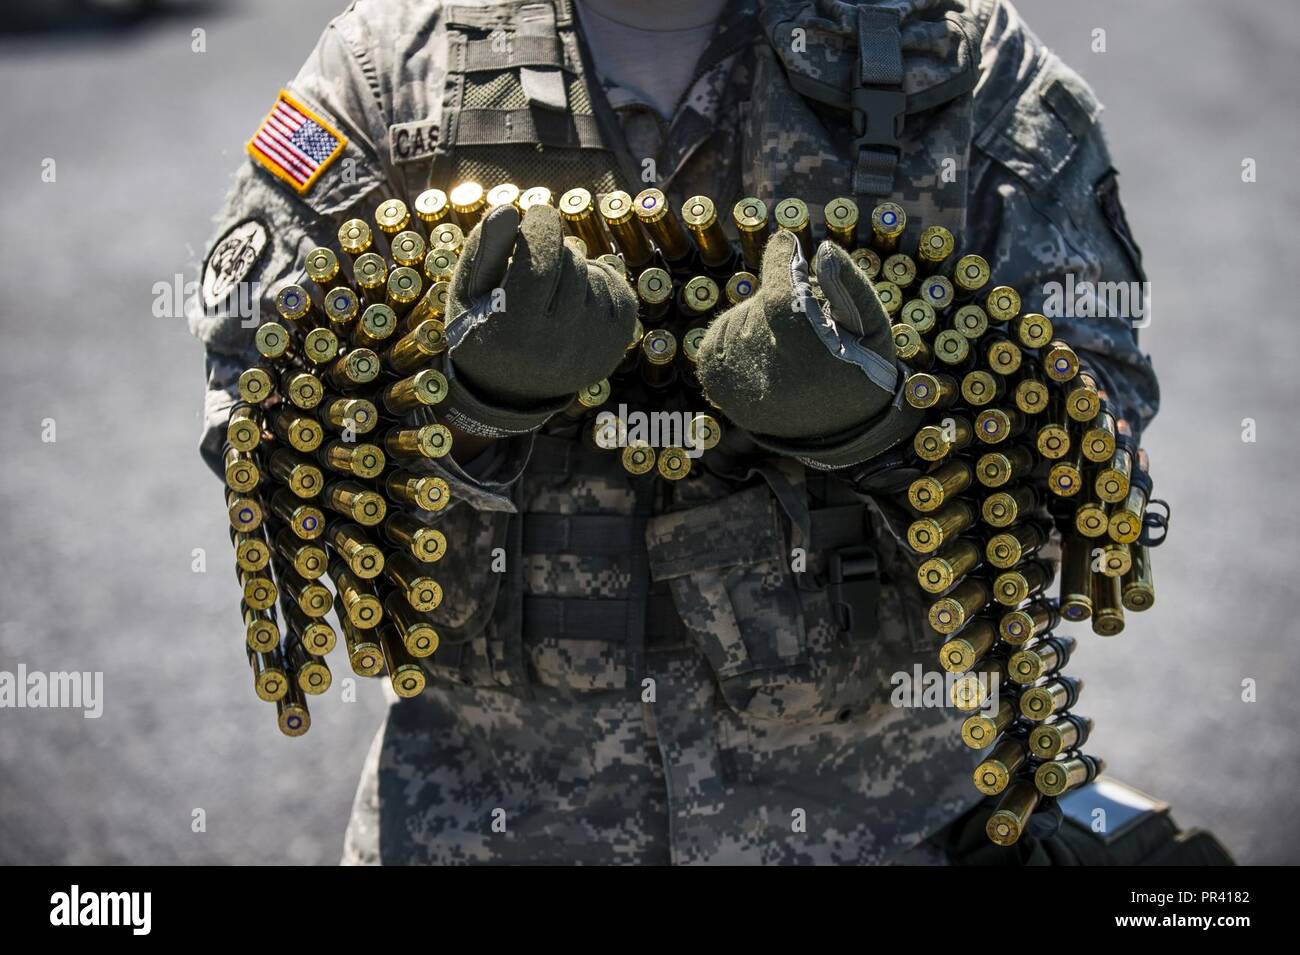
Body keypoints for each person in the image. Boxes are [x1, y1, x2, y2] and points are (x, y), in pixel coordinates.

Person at [191, 0, 1163, 864]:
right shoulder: (391, 68)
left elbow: (1091, 436)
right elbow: (261, 415)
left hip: (876, 824)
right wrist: (458, 397)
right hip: (479, 817)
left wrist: (886, 424)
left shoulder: (961, 64)